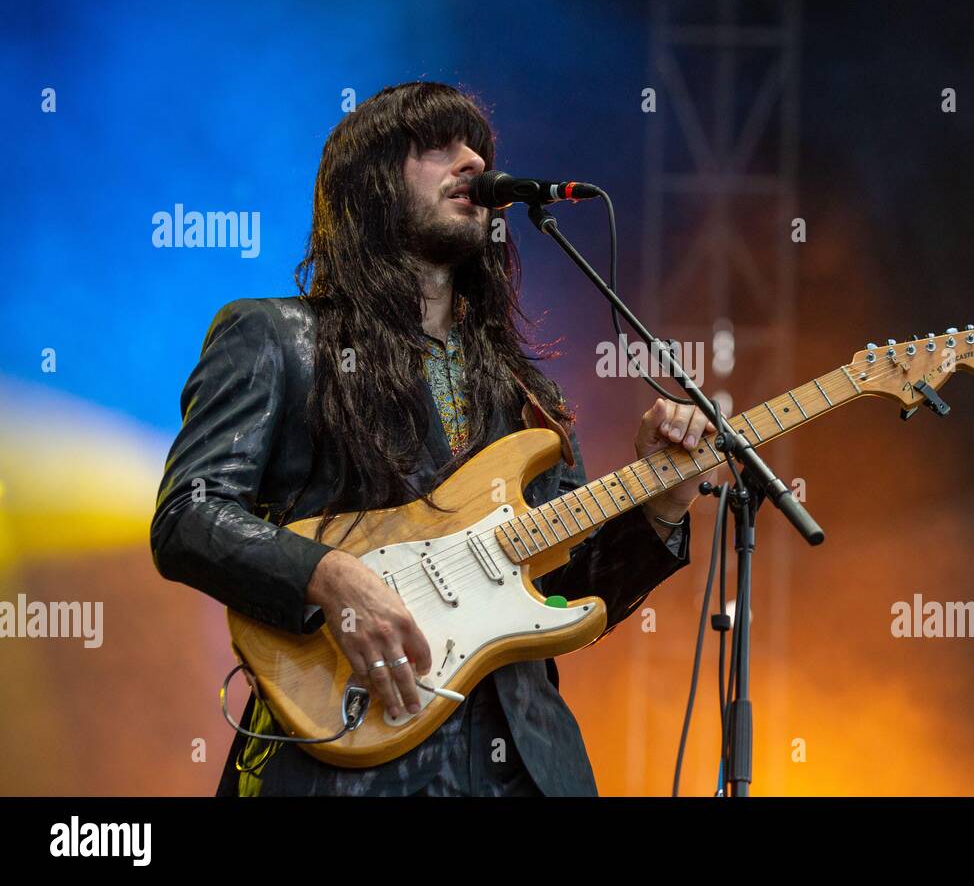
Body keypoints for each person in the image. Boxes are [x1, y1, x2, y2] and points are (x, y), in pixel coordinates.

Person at [149, 81, 716, 796]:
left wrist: (662, 505)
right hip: (351, 751)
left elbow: (570, 587)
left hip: (526, 768)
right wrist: (328, 575)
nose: (473, 160)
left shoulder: (524, 393)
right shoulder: (275, 336)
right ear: (372, 184)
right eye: (438, 147)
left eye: (477, 146)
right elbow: (187, 516)